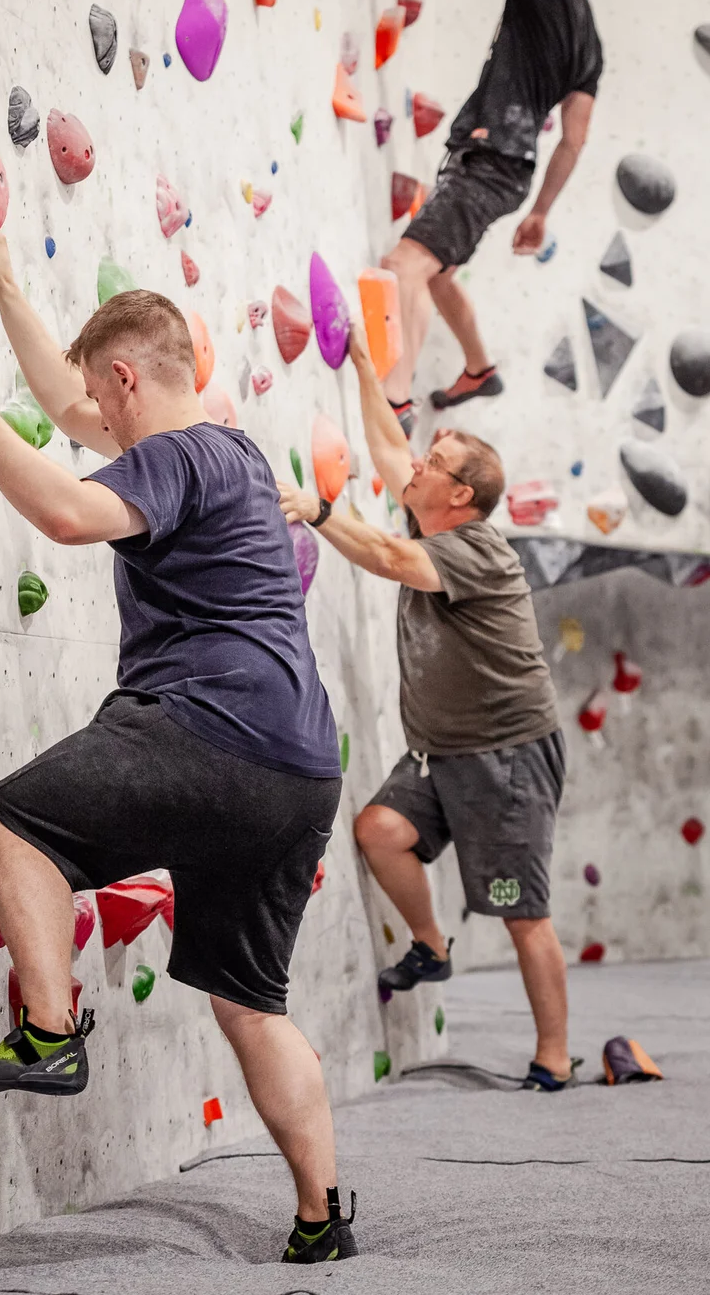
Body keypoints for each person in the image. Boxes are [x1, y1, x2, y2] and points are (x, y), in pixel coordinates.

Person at [0, 214, 357, 1264]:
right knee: (250, 1005)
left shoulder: (175, 455)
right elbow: (61, 406)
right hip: (300, 767)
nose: (88, 412)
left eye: (103, 392)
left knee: (12, 817)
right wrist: (3, 288)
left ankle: (50, 1028)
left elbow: (66, 513)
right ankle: (322, 1215)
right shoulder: (222, 449)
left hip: (214, 727)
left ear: (130, 380)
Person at [279, 324, 573, 1091]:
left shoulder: (474, 548)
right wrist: (367, 369)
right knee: (381, 830)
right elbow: (387, 450)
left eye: (434, 466)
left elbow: (386, 557)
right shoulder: (436, 517)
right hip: (442, 753)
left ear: (462, 496)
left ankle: (553, 1055)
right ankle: (430, 946)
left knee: (518, 910)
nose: (417, 468)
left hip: (505, 760)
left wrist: (315, 508)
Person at [357, 0, 604, 436]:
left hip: (489, 158)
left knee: (404, 264)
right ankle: (479, 367)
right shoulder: (590, 36)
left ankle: (396, 400)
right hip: (514, 174)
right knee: (437, 271)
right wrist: (540, 210)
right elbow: (573, 139)